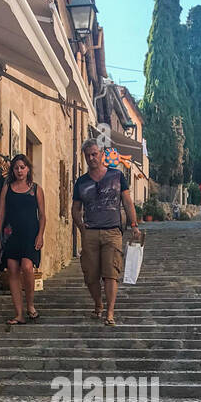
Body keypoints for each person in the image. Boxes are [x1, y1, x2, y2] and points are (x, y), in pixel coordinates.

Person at [71, 139, 139, 327]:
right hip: (90, 232)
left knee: (111, 273)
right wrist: (81, 227)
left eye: (94, 154)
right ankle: (98, 303)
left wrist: (134, 225)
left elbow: (127, 202)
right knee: (90, 276)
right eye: (87, 155)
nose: (91, 158)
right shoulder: (81, 182)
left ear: (102, 154)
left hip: (112, 232)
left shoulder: (117, 176)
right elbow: (75, 208)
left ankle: (110, 312)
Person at [0, 152, 45, 325]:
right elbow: (0, 214)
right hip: (11, 234)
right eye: (16, 168)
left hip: (30, 234)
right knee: (12, 270)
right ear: (12, 170)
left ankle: (30, 306)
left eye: (22, 167)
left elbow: (42, 215)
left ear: (28, 169)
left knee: (27, 268)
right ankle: (19, 314)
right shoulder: (7, 188)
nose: (19, 171)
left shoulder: (36, 189)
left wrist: (40, 235)